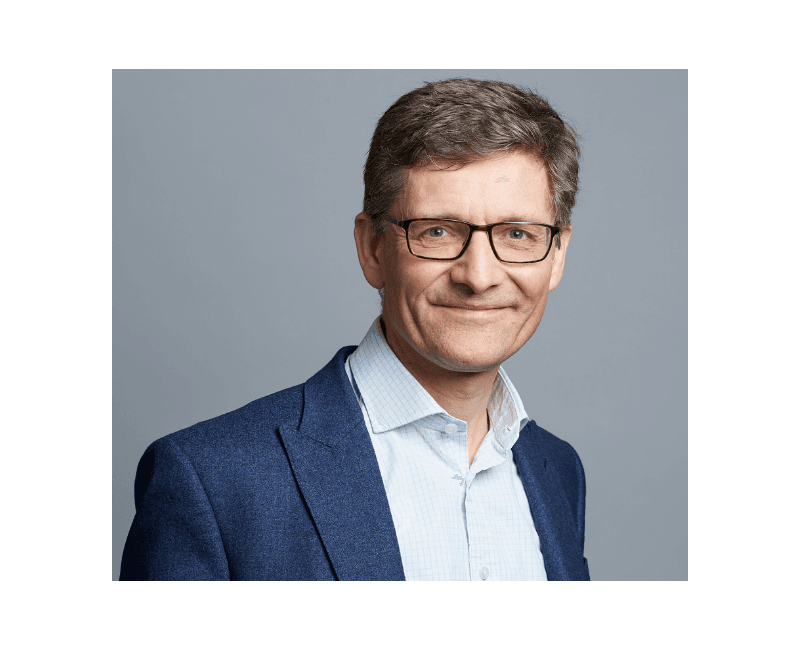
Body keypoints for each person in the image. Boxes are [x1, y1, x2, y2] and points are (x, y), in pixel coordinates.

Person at [120, 78, 589, 581]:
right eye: (437, 231)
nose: (478, 276)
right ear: (371, 249)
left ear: (557, 255)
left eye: (517, 234)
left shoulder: (557, 470)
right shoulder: (211, 478)